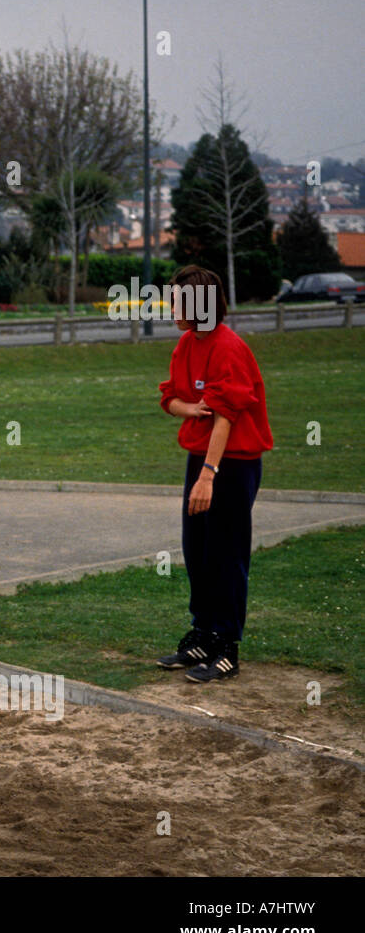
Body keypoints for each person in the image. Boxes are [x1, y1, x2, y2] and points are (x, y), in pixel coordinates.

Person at [155, 265, 272, 682]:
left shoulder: (229, 348)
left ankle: (226, 646)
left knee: (226, 552)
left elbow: (225, 416)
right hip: (202, 457)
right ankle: (203, 634)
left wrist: (208, 475)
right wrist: (190, 408)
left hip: (232, 463)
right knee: (197, 549)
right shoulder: (187, 344)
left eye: (178, 303)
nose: (172, 309)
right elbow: (170, 397)